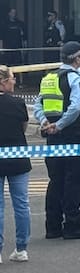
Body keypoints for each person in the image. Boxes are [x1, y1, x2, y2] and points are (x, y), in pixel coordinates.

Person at [32, 40, 80, 239]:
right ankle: (72, 224)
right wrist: (59, 125)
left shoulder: (49, 77)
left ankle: (52, 226)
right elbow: (76, 107)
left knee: (56, 180)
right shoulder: (75, 78)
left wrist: (46, 124)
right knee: (74, 181)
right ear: (77, 59)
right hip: (75, 136)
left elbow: (38, 105)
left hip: (54, 138)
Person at [0, 65, 31, 262]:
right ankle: (21, 248)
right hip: (18, 158)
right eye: (11, 78)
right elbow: (24, 127)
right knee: (21, 203)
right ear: (3, 82)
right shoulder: (18, 103)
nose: (14, 81)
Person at [2, 9, 27, 83]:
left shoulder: (20, 24)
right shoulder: (5, 24)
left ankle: (21, 82)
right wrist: (1, 48)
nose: (14, 14)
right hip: (8, 48)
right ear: (9, 13)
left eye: (15, 13)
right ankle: (8, 81)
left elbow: (24, 37)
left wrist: (24, 48)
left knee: (19, 65)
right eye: (12, 13)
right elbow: (2, 37)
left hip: (18, 48)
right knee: (8, 65)